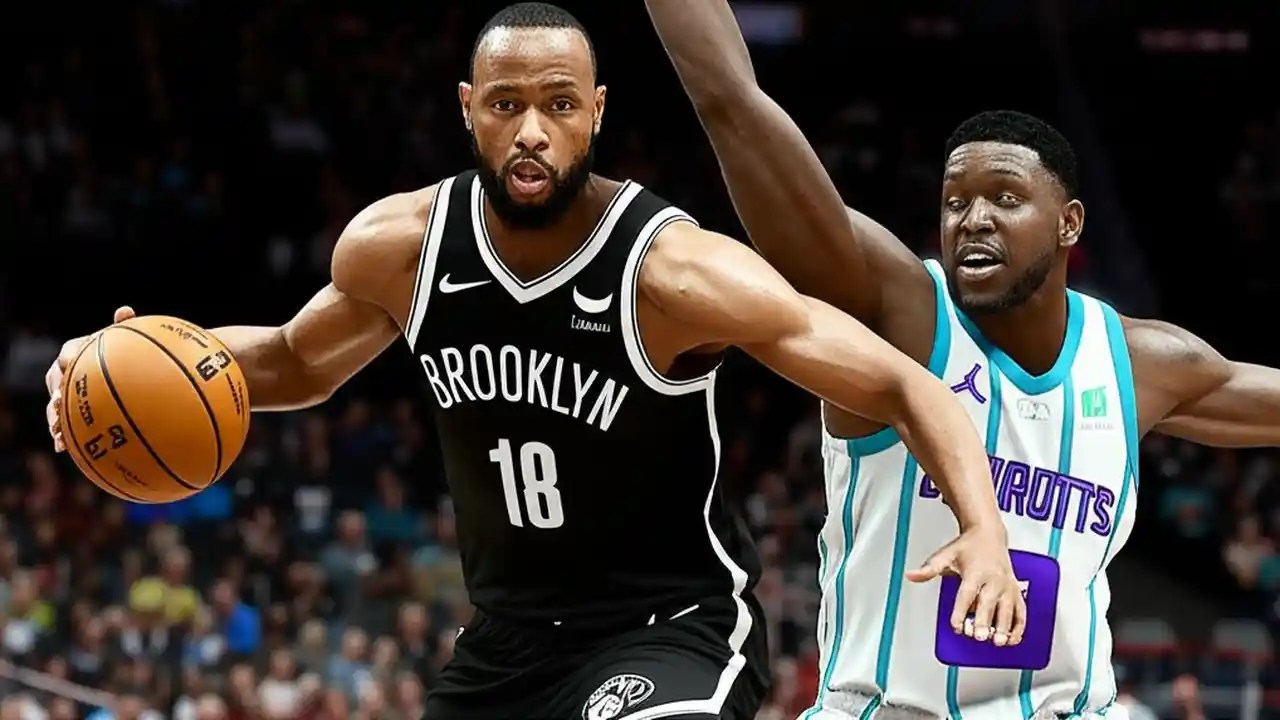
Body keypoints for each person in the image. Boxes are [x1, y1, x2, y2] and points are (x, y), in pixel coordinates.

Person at [45, 4, 1023, 719]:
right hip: (504, 643)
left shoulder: (673, 272)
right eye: (505, 103)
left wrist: (981, 529)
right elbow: (295, 365)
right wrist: (126, 357)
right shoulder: (400, 246)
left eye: (557, 104)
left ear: (595, 112)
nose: (530, 131)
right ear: (468, 109)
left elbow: (902, 383)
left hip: (667, 627)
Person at [644, 1, 1280, 718]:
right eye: (955, 202)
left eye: (1005, 198)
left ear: (1069, 222)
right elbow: (735, 104)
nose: (972, 218)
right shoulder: (896, 314)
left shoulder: (1141, 365)